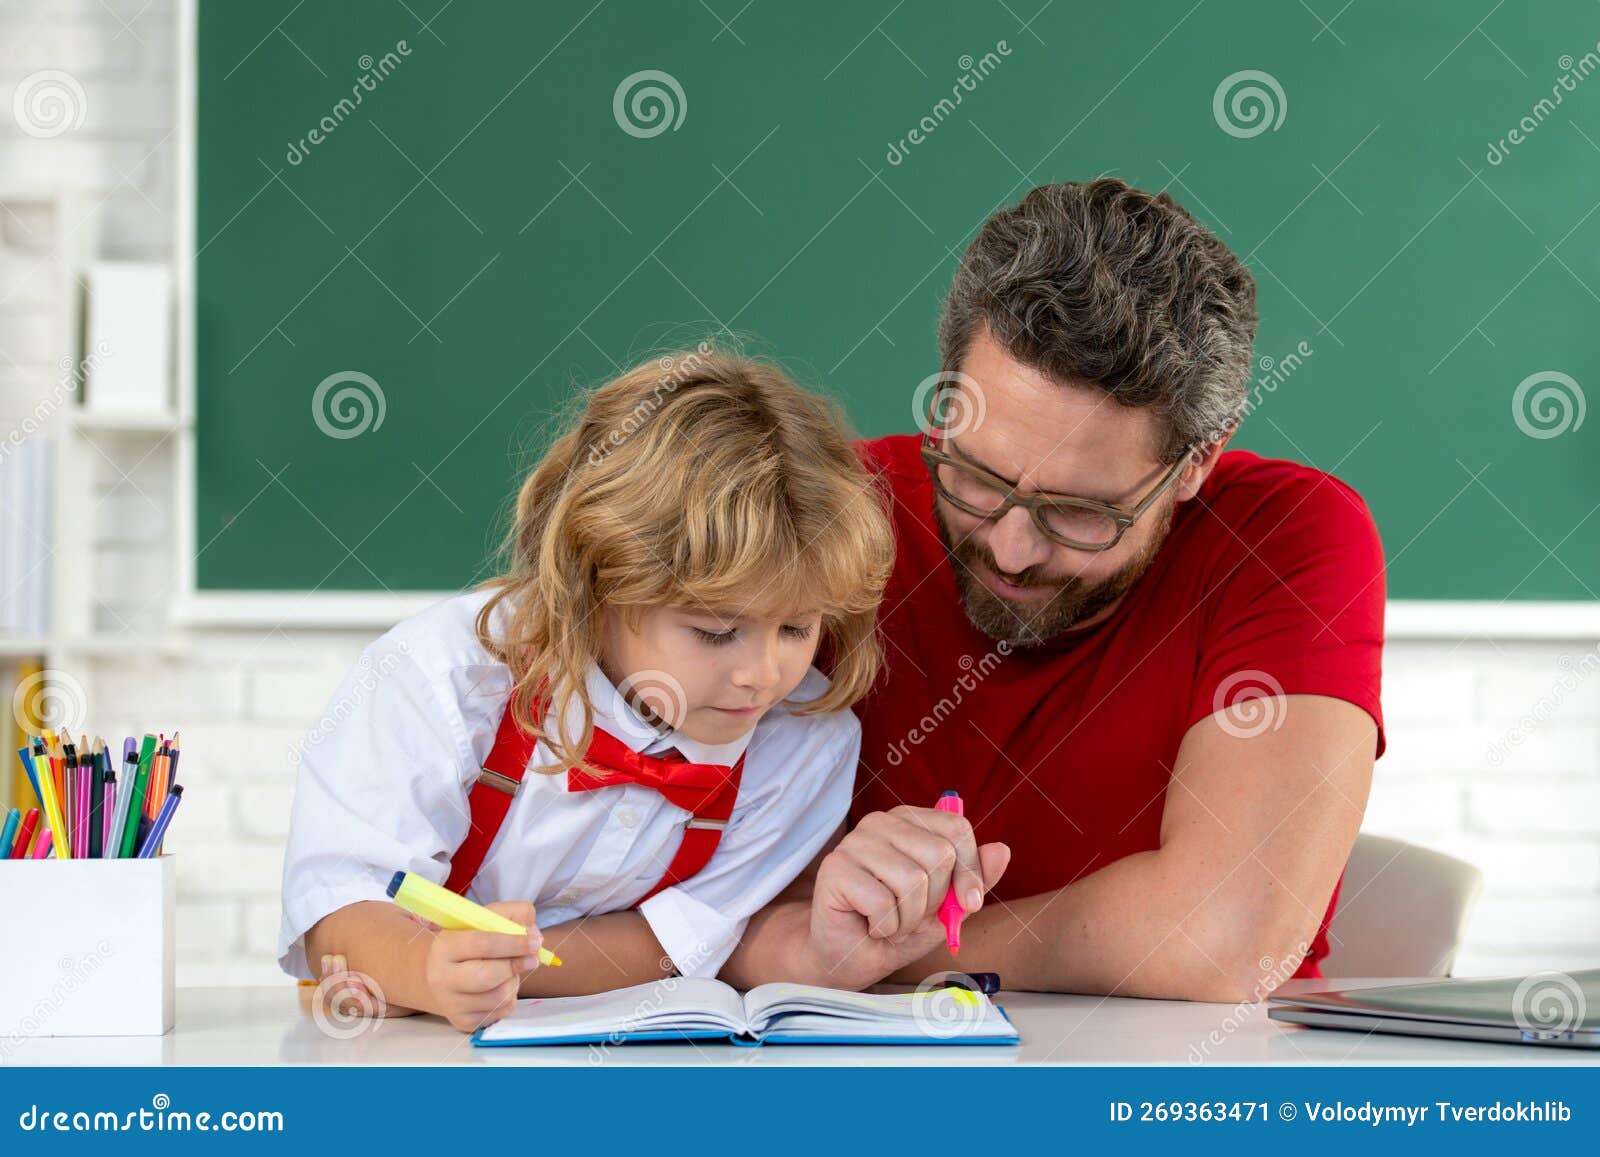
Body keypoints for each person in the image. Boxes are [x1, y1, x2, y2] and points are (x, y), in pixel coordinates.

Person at [724, 178, 1385, 1002]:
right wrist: (793, 943)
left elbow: (1228, 938)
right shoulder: (823, 512)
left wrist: (862, 954)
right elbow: (645, 890)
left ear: (1195, 464)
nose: (1011, 546)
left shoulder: (1287, 534)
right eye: (975, 474)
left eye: (1080, 512)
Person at [277, 349, 894, 1032]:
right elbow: (334, 910)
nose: (761, 675)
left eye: (796, 627)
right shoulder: (440, 678)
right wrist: (424, 968)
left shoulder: (806, 744)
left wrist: (494, 970)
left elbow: (675, 943)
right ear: (596, 583)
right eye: (716, 631)